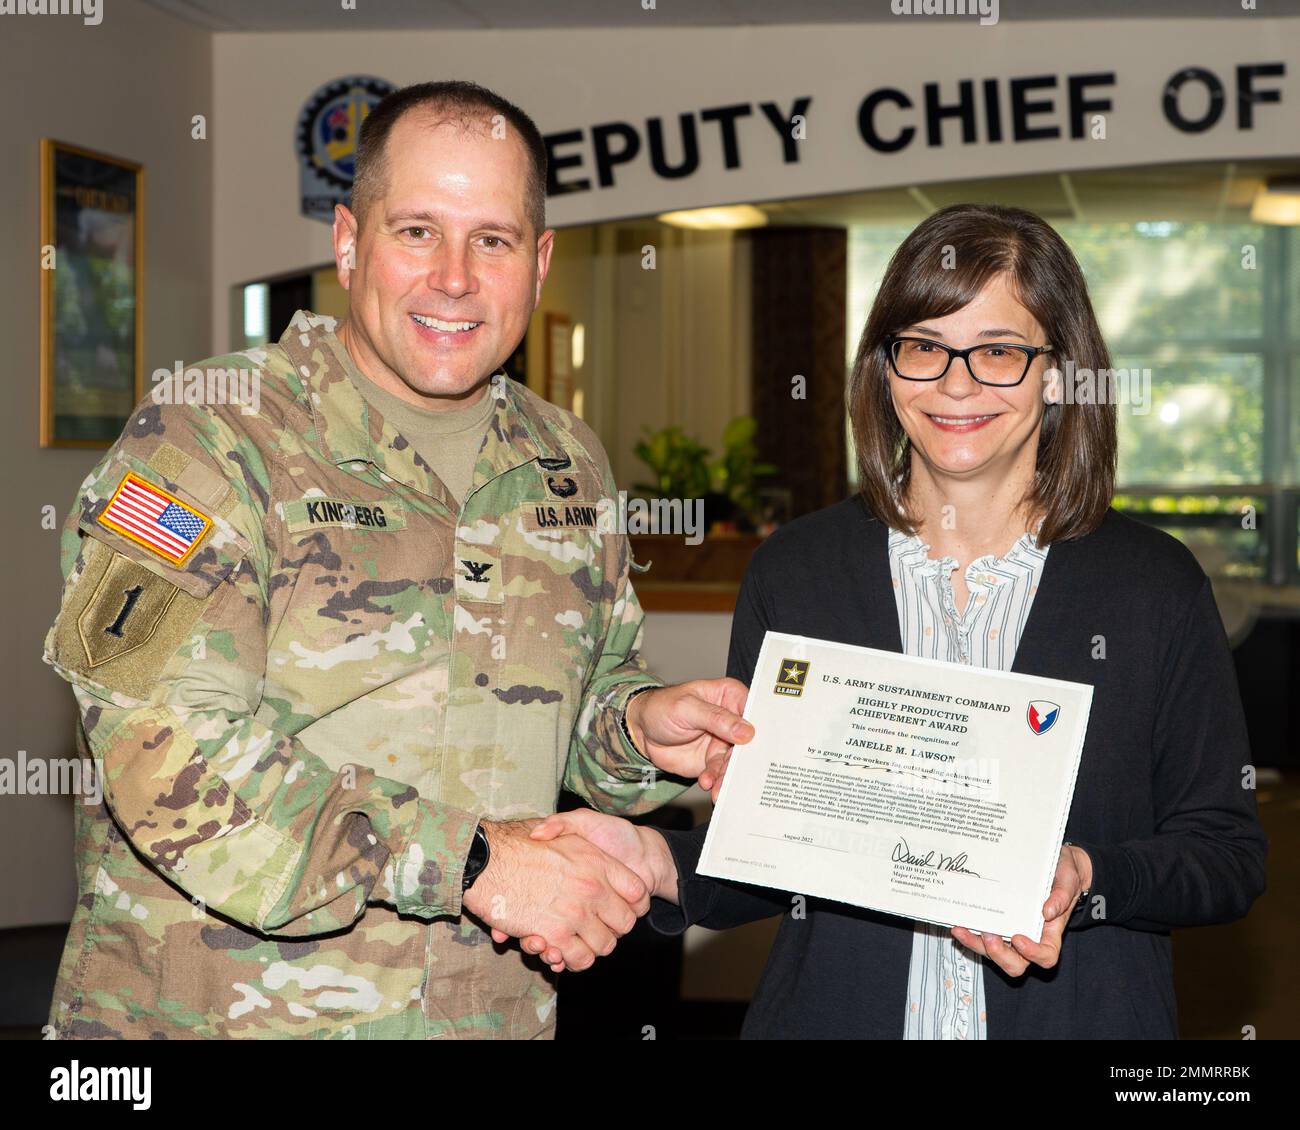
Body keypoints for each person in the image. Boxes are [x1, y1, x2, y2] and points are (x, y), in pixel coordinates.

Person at [40, 80, 749, 1040]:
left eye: (492, 239)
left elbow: (564, 706)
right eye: (417, 230)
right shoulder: (208, 435)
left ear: (538, 263)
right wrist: (473, 863)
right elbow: (160, 744)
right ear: (348, 242)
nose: (454, 276)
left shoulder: (566, 461)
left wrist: (637, 727)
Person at [522, 203, 1269, 1038]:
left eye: (998, 352)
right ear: (884, 366)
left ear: (1058, 371)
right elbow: (789, 850)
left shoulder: (1151, 586)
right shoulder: (801, 572)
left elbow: (1225, 854)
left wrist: (1087, 876)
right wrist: (656, 859)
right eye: (924, 347)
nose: (956, 384)